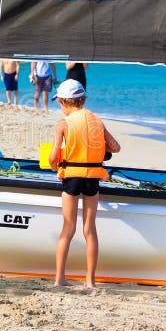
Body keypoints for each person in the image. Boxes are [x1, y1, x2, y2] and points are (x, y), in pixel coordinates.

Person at [48, 79, 120, 288]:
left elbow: (53, 156)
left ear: (64, 101)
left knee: (68, 229)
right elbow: (115, 147)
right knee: (90, 229)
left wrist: (54, 166)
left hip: (72, 178)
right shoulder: (97, 120)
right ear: (82, 100)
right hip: (92, 178)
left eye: (59, 103)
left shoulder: (63, 123)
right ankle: (90, 281)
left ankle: (60, 279)